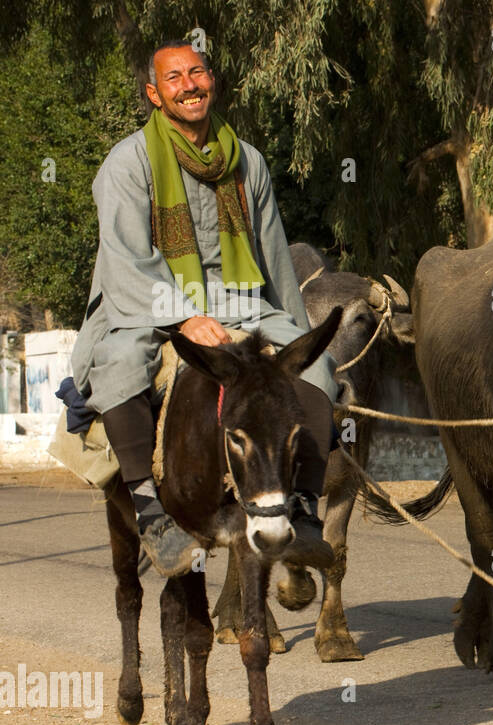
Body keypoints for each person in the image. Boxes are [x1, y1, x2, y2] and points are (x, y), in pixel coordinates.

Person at [70, 38, 336, 576]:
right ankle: (150, 511)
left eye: (197, 73)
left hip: (241, 302)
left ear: (211, 81)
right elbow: (125, 258)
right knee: (121, 362)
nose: (189, 85)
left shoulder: (250, 162)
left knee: (319, 370)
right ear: (154, 93)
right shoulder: (128, 162)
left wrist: (295, 334)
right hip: (145, 304)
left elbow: (272, 254)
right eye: (174, 78)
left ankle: (304, 510)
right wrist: (183, 317)